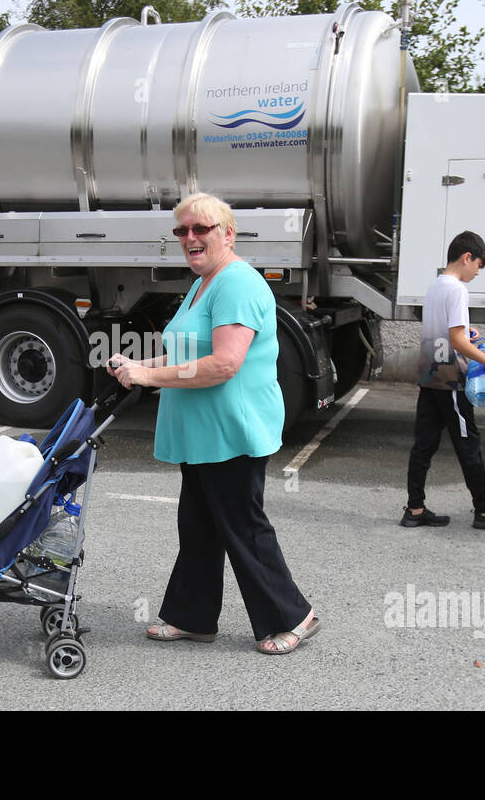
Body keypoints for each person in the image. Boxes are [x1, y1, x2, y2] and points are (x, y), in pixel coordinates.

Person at [108, 192, 320, 656]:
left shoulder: (236, 284)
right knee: (199, 526)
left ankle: (294, 617)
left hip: (232, 432)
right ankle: (192, 617)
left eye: (200, 228)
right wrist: (138, 365)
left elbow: (224, 364)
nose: (190, 238)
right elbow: (190, 352)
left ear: (228, 233)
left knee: (243, 528)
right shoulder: (204, 282)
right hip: (205, 434)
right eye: (182, 230)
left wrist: (149, 376)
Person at [402, 230, 485, 530]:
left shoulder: (436, 285)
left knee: (423, 446)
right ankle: (483, 511)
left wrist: (467, 334)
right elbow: (456, 341)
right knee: (469, 444)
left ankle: (415, 509)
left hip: (429, 375)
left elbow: (447, 332)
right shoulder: (457, 289)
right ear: (466, 258)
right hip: (451, 379)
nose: (477, 272)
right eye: (478, 265)